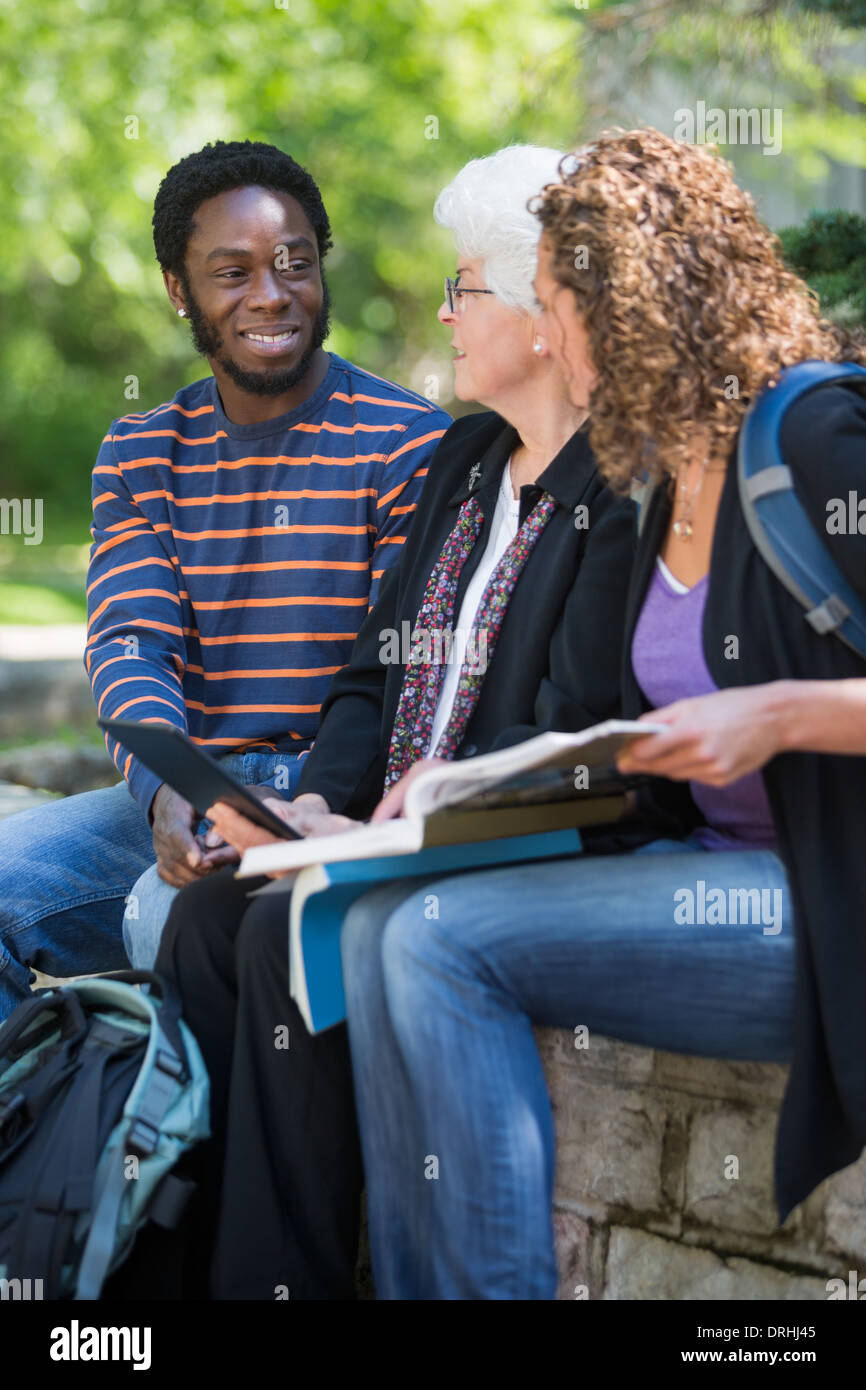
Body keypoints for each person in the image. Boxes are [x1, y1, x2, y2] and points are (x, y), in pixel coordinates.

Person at [337, 127, 866, 1299]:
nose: (550, 327)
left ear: (629, 302)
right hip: (699, 869)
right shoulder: (655, 477)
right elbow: (617, 743)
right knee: (376, 924)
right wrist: (466, 790)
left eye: (560, 299)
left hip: (820, 905)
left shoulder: (814, 439)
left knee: (435, 939)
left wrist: (779, 712)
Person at [151, 144, 638, 1299]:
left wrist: (401, 819)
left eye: (465, 286)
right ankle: (201, 1270)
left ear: (540, 311)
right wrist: (320, 800)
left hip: (517, 832)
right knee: (209, 920)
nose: (443, 311)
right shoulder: (466, 463)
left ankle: (293, 1279)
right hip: (394, 822)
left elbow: (574, 729)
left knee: (284, 933)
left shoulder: (623, 485)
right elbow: (374, 677)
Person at [0, 139, 449, 1018]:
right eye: (231, 272)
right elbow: (132, 645)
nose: (271, 294)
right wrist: (170, 788)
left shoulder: (408, 440)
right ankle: (55, 1131)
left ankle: (176, 1142)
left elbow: (396, 669)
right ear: (180, 290)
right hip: (189, 795)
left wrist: (309, 803)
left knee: (186, 928)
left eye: (294, 263)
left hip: (336, 804)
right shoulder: (142, 453)